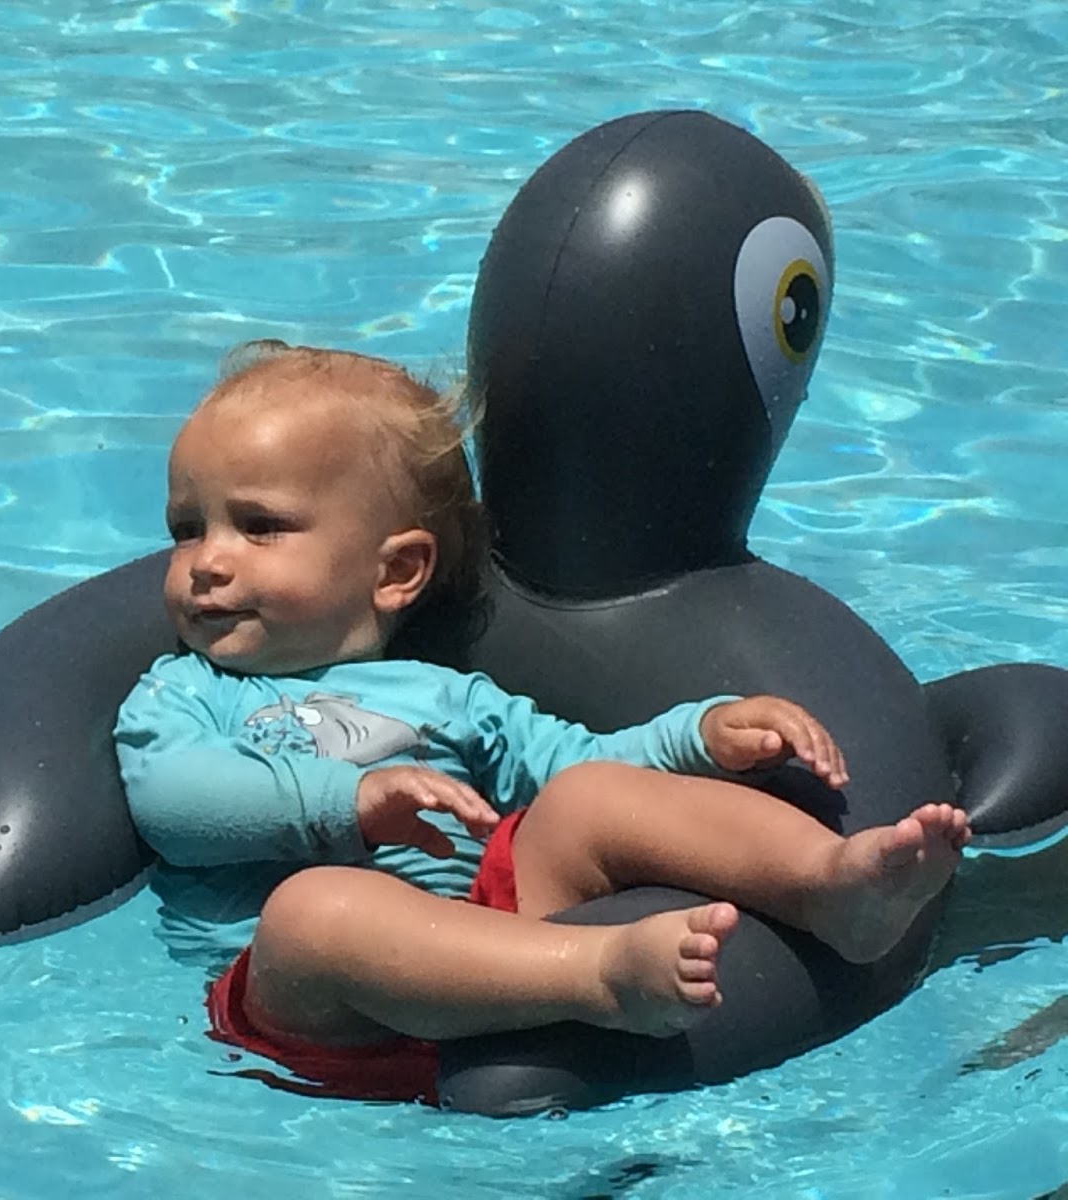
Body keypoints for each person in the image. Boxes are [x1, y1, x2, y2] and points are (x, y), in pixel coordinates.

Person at [113, 340, 969, 1104]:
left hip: (483, 942)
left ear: (397, 571)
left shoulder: (450, 696)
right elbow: (174, 804)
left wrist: (700, 735)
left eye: (259, 526)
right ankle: (599, 975)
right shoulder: (186, 691)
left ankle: (830, 885)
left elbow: (583, 760)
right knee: (316, 911)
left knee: (589, 795)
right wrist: (350, 801)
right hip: (307, 1011)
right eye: (186, 529)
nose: (206, 562)